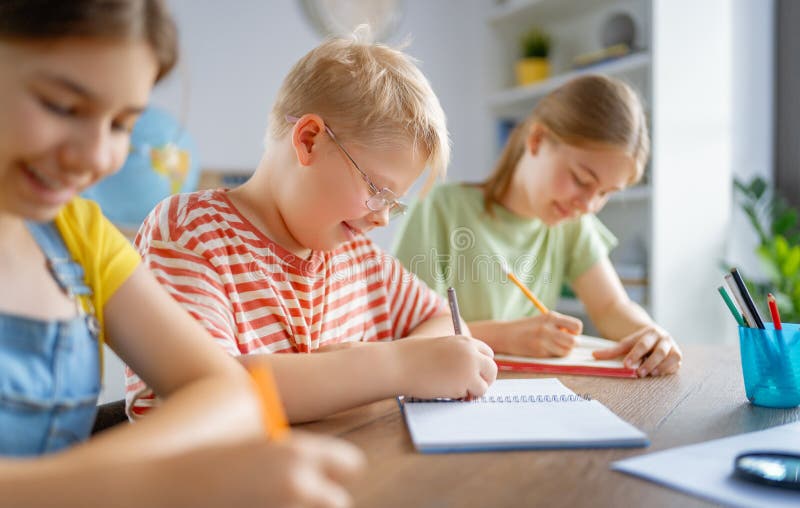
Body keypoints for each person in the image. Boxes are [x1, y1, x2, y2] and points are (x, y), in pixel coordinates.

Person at [0, 1, 363, 506]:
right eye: (62, 106)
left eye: (122, 124)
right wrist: (140, 483)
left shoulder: (77, 234)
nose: (99, 158)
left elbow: (233, 395)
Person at [128, 28, 498, 422]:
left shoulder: (356, 256)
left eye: (394, 203)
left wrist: (414, 360)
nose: (382, 216)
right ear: (308, 141)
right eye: (378, 191)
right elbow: (202, 394)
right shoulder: (189, 230)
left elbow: (440, 319)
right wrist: (391, 366)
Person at [394, 75, 682, 378]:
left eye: (605, 193)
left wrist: (650, 333)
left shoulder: (573, 223)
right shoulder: (441, 207)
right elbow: (409, 332)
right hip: (444, 389)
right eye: (582, 180)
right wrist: (504, 337)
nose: (588, 205)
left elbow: (611, 306)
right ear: (536, 140)